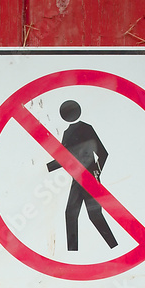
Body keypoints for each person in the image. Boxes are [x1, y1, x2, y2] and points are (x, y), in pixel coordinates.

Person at [47, 100, 117, 251]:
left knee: (94, 214)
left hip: (90, 176)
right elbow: (63, 158)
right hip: (77, 179)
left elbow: (103, 153)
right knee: (70, 214)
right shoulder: (66, 134)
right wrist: (45, 168)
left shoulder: (86, 128)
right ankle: (73, 253)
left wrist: (96, 171)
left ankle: (114, 247)